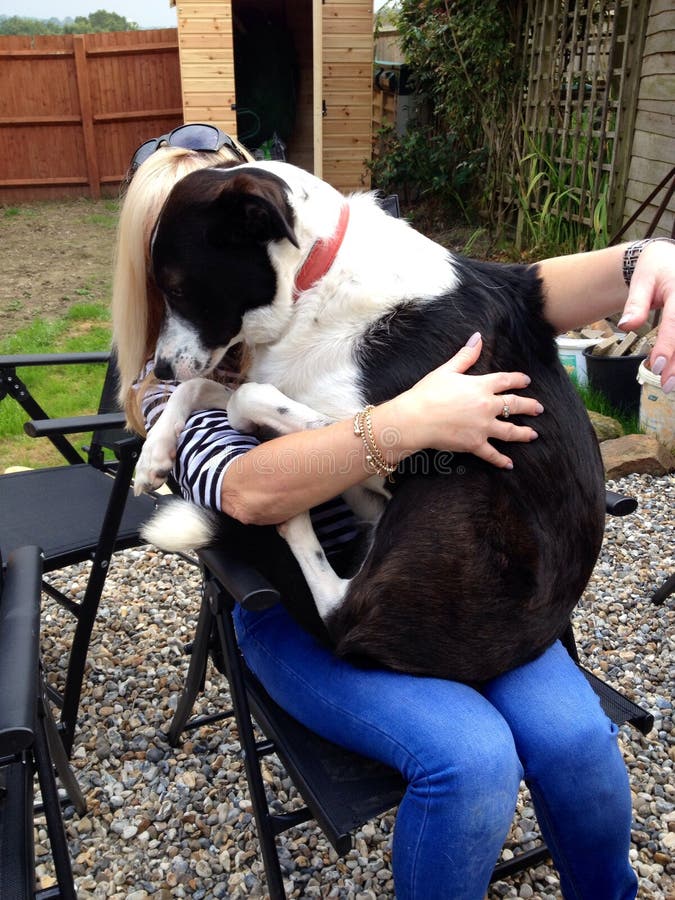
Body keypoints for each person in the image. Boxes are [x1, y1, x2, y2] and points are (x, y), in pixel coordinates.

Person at [112, 129, 675, 900]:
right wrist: (409, 425)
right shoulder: (174, 386)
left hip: (454, 581)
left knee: (576, 740)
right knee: (471, 760)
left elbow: (522, 289)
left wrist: (650, 259)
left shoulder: (334, 312)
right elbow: (248, 490)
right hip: (307, 615)